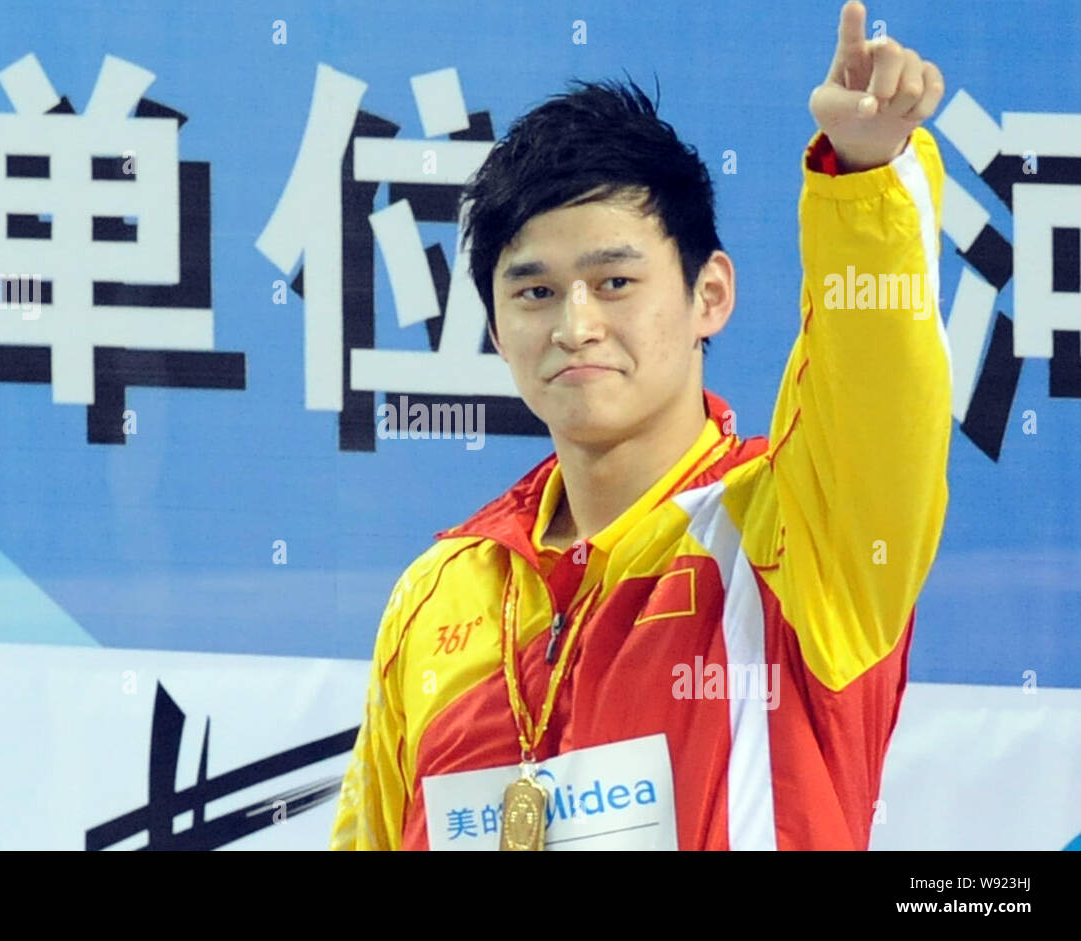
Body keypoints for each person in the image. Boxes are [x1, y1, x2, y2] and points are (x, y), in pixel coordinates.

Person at [331, 0, 951, 850]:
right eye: (535, 291)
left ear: (711, 295)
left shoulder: (802, 540)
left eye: (614, 282)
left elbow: (883, 395)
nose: (575, 324)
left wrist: (866, 177)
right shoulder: (439, 593)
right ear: (495, 325)